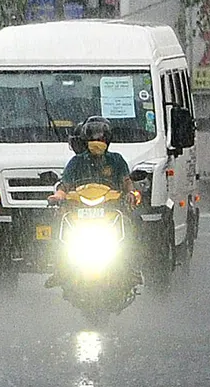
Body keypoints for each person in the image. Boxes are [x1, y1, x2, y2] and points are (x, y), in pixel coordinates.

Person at [45, 116, 140, 288]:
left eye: (101, 138)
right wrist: (58, 196)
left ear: (108, 139)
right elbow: (65, 184)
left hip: (110, 209)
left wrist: (131, 194)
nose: (97, 141)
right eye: (93, 137)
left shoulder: (116, 160)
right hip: (79, 211)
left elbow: (127, 182)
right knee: (59, 227)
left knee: (130, 226)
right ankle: (60, 269)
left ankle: (130, 269)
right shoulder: (77, 161)